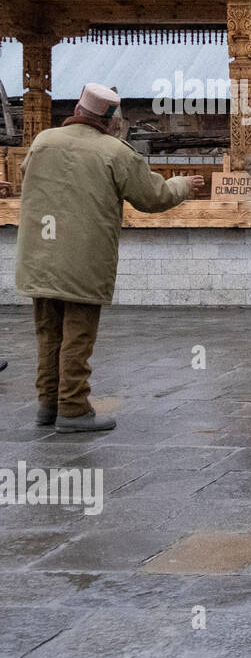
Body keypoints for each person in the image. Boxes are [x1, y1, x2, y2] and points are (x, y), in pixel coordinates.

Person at [15, 83, 203, 432]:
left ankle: (47, 404)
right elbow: (152, 197)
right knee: (77, 336)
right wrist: (182, 185)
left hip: (38, 255)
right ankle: (72, 408)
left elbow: (26, 177)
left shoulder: (42, 141)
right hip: (83, 261)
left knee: (48, 333)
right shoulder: (114, 152)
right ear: (108, 119)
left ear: (78, 109)